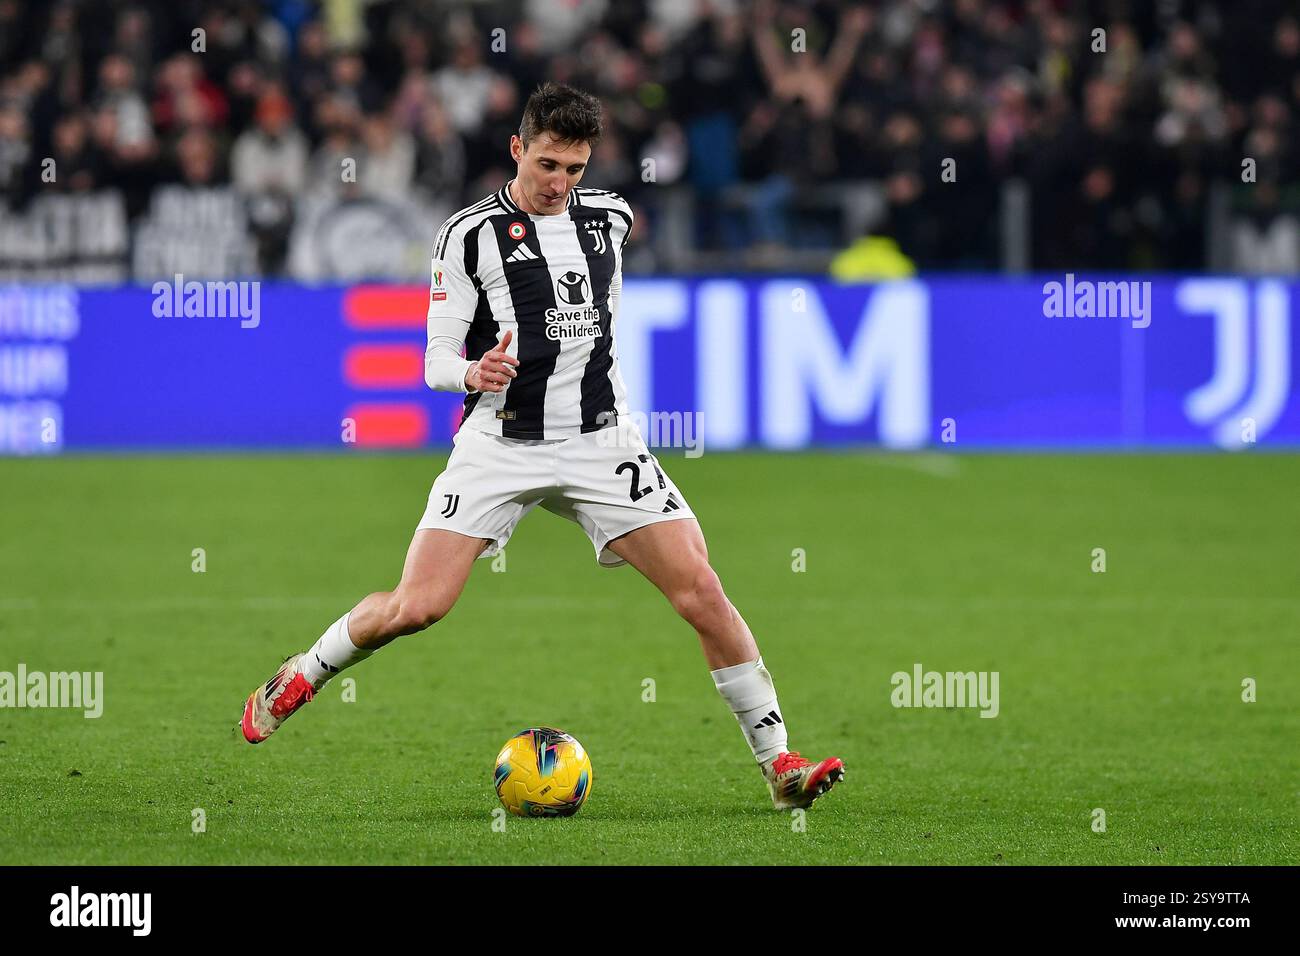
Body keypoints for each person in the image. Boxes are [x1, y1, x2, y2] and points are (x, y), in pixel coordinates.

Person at [239, 82, 844, 811]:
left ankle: (780, 767)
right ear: (517, 149)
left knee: (702, 590)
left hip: (599, 440)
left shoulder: (611, 220)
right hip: (501, 444)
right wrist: (471, 369)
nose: (560, 184)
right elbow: (433, 357)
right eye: (548, 165)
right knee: (418, 607)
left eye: (576, 169)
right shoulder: (467, 235)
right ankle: (304, 670)